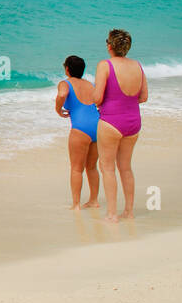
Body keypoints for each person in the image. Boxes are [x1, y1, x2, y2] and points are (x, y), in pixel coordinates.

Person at [92, 28, 149, 223]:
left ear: (109, 46)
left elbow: (97, 97)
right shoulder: (137, 66)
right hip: (133, 123)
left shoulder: (104, 65)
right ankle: (129, 212)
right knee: (125, 167)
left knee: (107, 167)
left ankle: (112, 214)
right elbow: (144, 97)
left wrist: (99, 100)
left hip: (110, 121)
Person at [54, 55, 100, 209]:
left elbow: (62, 94)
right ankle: (94, 201)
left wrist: (58, 109)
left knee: (76, 168)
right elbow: (100, 101)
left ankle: (76, 204)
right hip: (97, 126)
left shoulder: (65, 83)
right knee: (92, 167)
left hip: (80, 128)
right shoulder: (90, 84)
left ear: (67, 69)